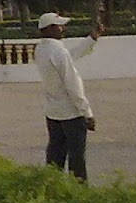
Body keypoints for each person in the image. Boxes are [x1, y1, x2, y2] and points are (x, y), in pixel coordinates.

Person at [34, 11, 102, 182]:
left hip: (53, 111)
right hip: (71, 113)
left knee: (55, 153)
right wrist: (87, 113)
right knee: (77, 157)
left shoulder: (41, 49)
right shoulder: (58, 52)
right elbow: (73, 86)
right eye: (59, 26)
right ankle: (77, 190)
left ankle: (52, 185)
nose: (63, 29)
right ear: (49, 28)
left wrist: (91, 39)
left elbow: (69, 58)